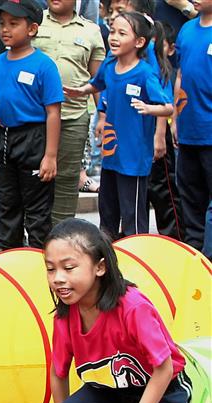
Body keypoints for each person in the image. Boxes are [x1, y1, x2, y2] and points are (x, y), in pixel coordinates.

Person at [43, 218, 196, 403]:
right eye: (50, 269)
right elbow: (58, 372)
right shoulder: (66, 314)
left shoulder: (133, 307)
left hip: (165, 391)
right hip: (115, 390)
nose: (58, 278)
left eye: (69, 267)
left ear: (99, 267)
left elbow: (163, 369)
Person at [64, 11, 173, 240]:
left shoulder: (144, 73)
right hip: (111, 155)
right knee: (107, 213)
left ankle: (138, 255)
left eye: (122, 33)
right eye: (112, 31)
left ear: (139, 42)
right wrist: (80, 91)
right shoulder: (110, 65)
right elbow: (97, 84)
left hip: (134, 159)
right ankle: (108, 255)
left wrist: (149, 108)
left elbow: (168, 106)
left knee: (132, 216)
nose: (113, 37)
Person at [0, 0, 63, 250]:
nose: (5, 29)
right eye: (2, 23)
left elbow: (53, 112)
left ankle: (40, 261)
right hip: (3, 139)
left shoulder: (43, 65)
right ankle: (10, 257)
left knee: (37, 210)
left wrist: (50, 155)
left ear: (32, 29)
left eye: (14, 24)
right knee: (7, 204)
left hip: (34, 139)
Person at [34, 0, 105, 226]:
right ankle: (33, 239)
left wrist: (104, 118)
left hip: (73, 117)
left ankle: (61, 235)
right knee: (33, 180)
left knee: (66, 180)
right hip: (34, 118)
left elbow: (98, 82)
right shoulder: (33, 23)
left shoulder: (92, 31)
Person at [174, 0, 212, 256]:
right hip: (188, 131)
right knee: (190, 200)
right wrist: (175, 119)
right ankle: (194, 258)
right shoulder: (186, 29)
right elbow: (179, 76)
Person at [147, 20, 183, 241]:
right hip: (135, 133)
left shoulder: (161, 68)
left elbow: (165, 103)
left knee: (164, 191)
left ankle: (176, 240)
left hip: (158, 132)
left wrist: (160, 135)